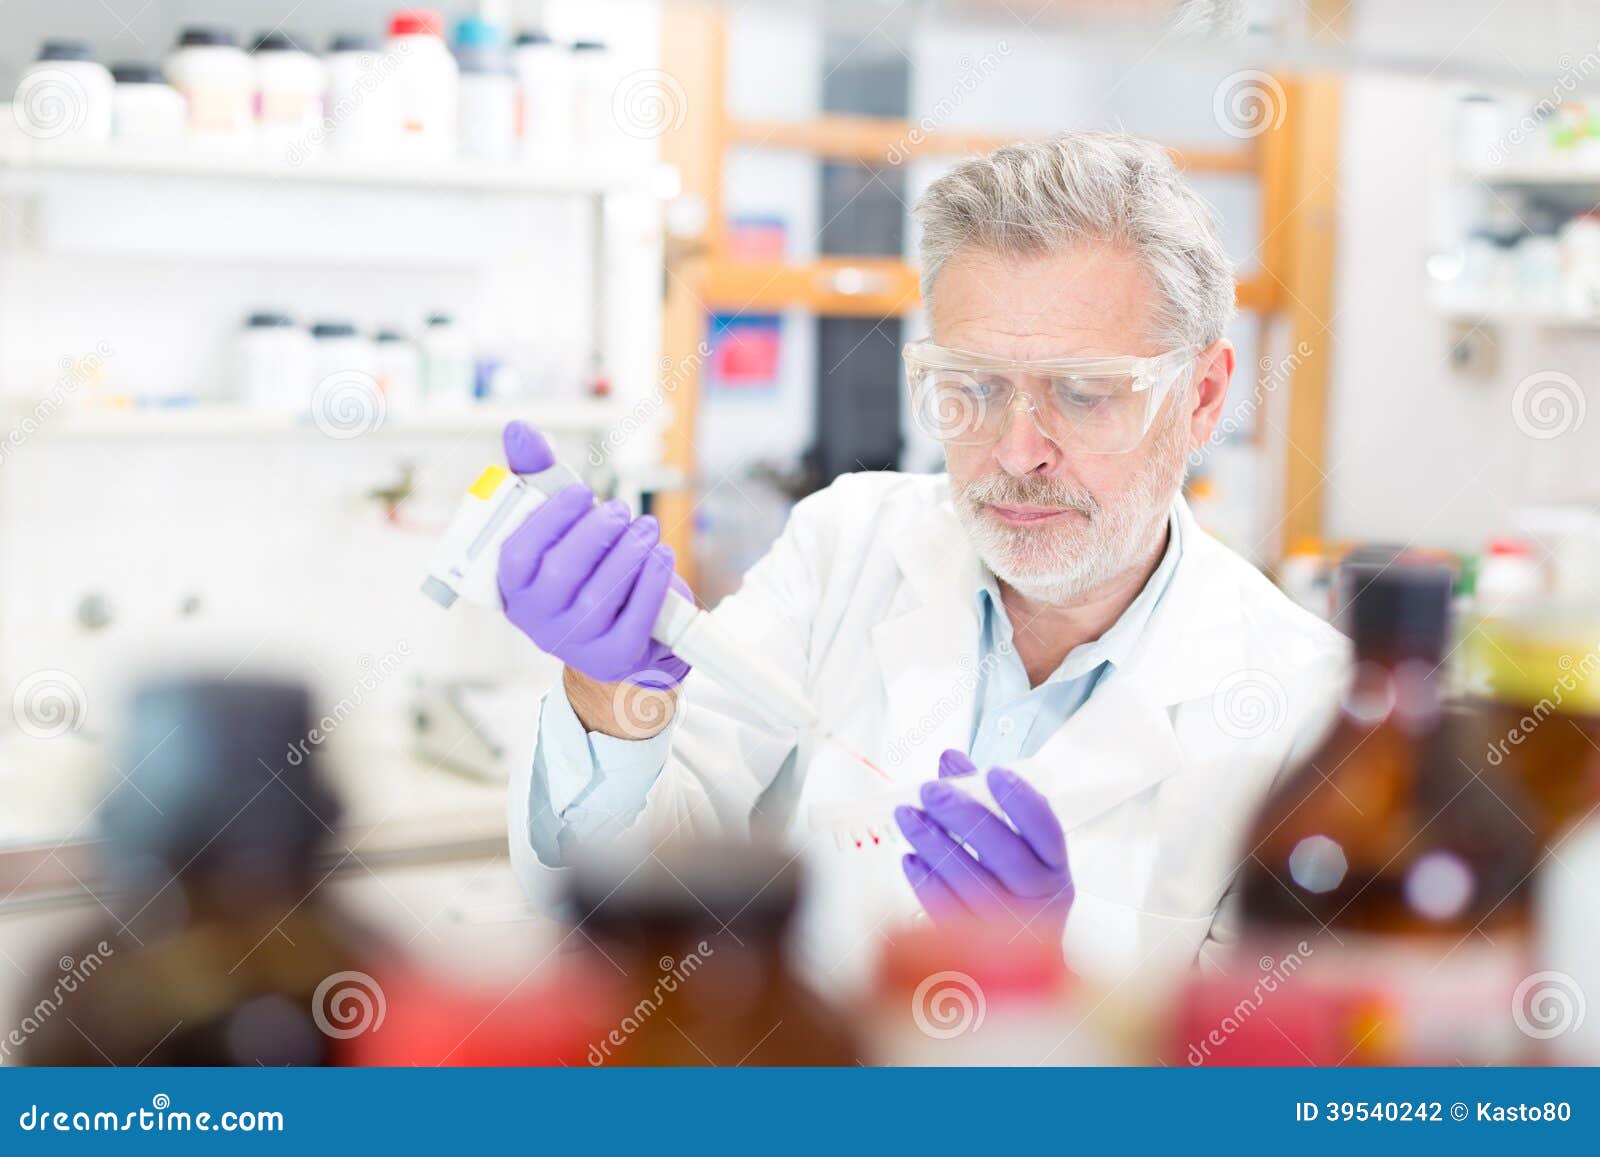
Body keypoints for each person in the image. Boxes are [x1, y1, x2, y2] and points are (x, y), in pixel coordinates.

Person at [500, 131, 1349, 990]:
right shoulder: (847, 544)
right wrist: (609, 700)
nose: (1018, 452)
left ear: (1201, 398)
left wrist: (1051, 985)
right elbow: (641, 894)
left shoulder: (1311, 712)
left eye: (1085, 393)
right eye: (973, 387)